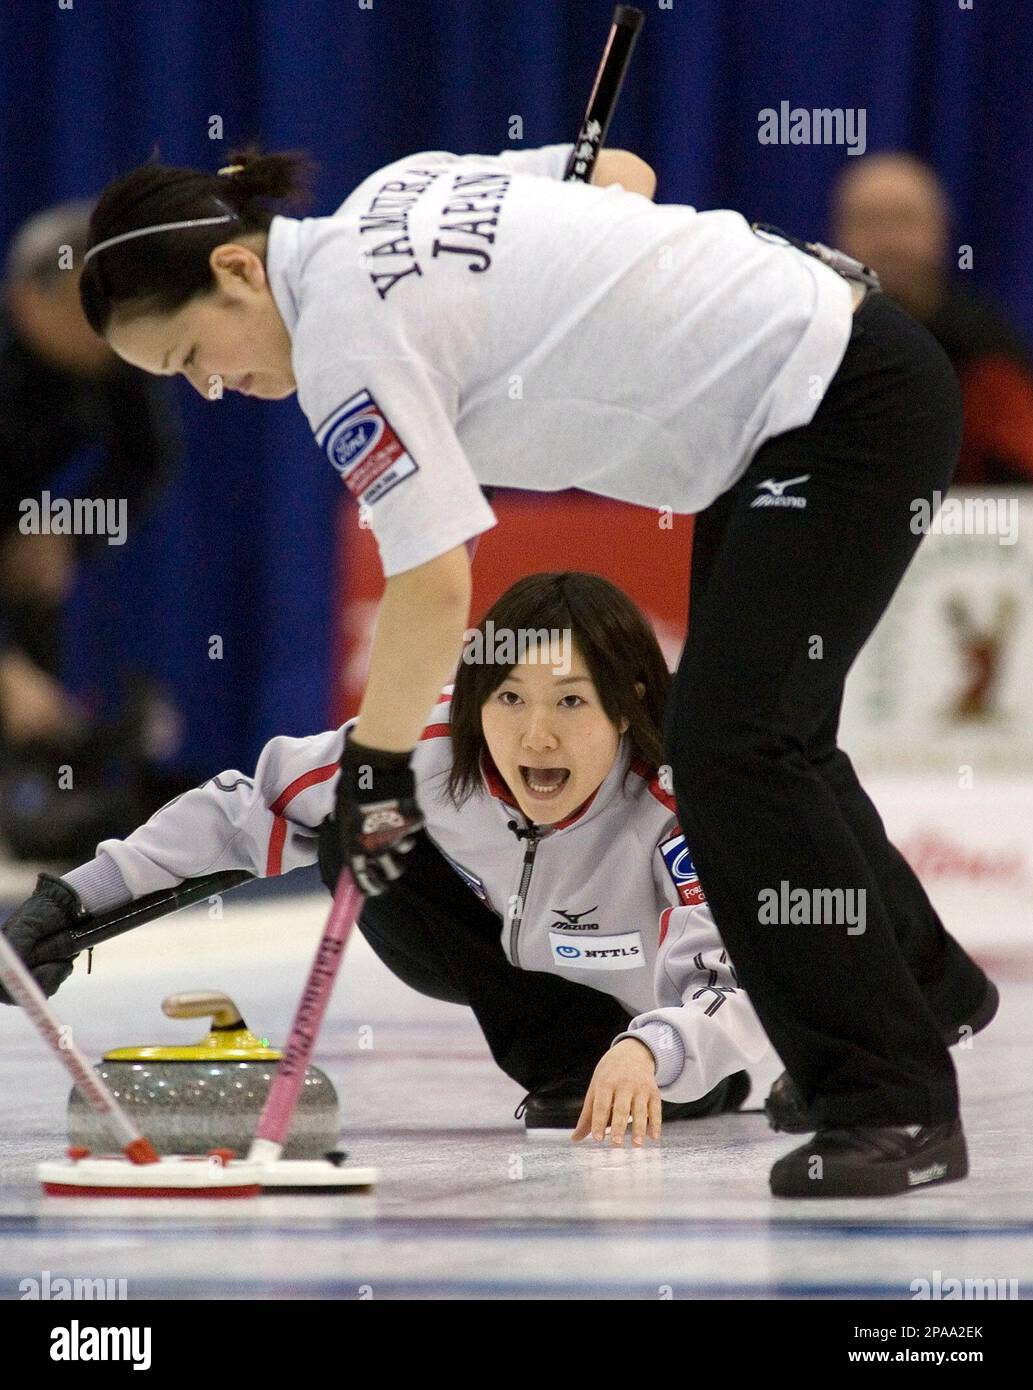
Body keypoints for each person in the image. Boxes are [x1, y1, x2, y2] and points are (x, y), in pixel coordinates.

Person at [70, 138, 987, 1196]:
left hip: (834, 403)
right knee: (768, 733)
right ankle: (928, 989)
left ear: (234, 270)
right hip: (812, 391)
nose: (218, 386)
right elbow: (624, 175)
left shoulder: (343, 342)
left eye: (192, 357)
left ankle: (891, 1104)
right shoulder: (397, 188)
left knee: (736, 746)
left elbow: (432, 579)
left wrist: (374, 763)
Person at [1, 573, 770, 1145]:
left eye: (570, 701)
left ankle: (624, 1063)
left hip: (666, 1030)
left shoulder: (680, 797)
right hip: (500, 970)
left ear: (627, 698)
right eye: (508, 699)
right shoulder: (427, 747)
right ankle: (568, 1062)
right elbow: (247, 808)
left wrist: (653, 1048)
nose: (536, 736)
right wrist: (74, 905)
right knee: (353, 814)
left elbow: (737, 982)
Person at [0, 200, 187, 859]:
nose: (107, 333)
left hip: (15, 527)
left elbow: (148, 460)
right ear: (28, 299)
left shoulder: (109, 354)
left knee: (35, 573)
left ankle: (44, 788)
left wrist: (66, 531)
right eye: (89, 312)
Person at [831, 152, 1033, 486]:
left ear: (940, 230)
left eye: (905, 220)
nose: (889, 241)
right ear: (838, 233)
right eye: (870, 221)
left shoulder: (984, 350)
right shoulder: (809, 344)